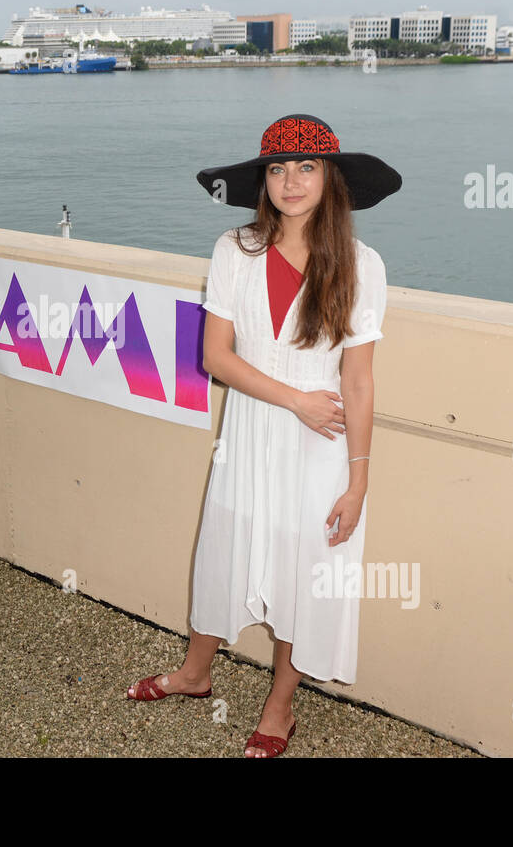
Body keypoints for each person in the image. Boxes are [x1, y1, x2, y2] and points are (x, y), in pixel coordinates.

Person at [126, 114, 401, 758]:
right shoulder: (235, 249)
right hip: (253, 429)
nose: (291, 181)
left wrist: (359, 482)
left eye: (306, 166)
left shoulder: (362, 265)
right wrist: (295, 399)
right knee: (224, 544)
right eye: (277, 168)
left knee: (306, 567)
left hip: (322, 447)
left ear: (331, 177)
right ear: (263, 180)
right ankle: (196, 673)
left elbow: (359, 383)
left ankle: (282, 705)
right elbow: (216, 357)